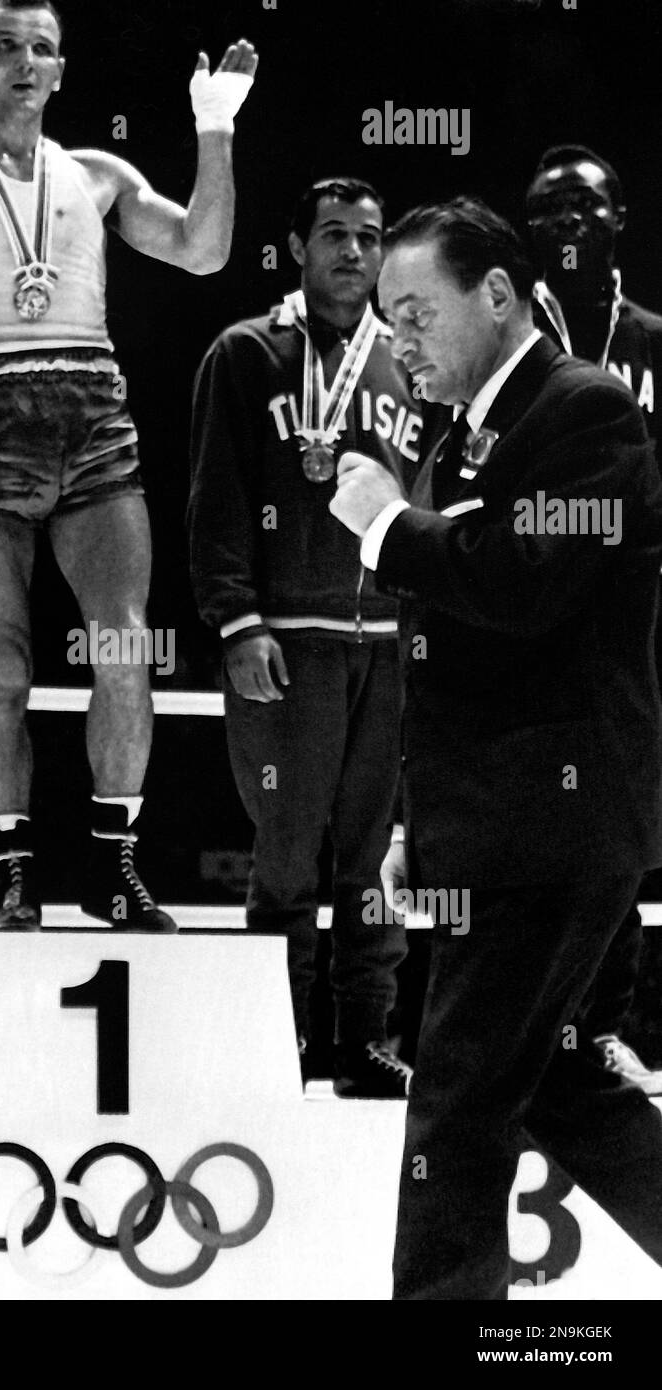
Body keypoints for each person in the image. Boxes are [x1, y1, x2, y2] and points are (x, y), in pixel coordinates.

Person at [0, 0, 256, 930]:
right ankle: (13, 874)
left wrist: (214, 128)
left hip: (92, 419)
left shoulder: (94, 173)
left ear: (63, 70)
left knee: (125, 648)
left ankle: (114, 867)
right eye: (4, 48)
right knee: (4, 662)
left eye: (42, 49)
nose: (24, 64)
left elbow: (203, 249)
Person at [330, 196, 662, 1298]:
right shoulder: (470, 427)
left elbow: (523, 583)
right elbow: (471, 650)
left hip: (549, 826)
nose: (401, 340)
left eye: (418, 311)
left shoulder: (586, 408)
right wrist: (417, 819)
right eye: (388, 321)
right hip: (512, 819)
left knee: (460, 1101)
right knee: (559, 1082)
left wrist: (384, 523)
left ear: (502, 295)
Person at [188, 178, 420, 1096]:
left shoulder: (409, 356)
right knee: (284, 857)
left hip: (388, 640)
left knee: (372, 855)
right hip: (285, 637)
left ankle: (364, 1043)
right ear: (295, 246)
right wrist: (235, 621)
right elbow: (214, 496)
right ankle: (276, 1045)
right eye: (333, 234)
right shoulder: (245, 352)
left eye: (369, 236)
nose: (353, 253)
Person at [527, 143, 662, 1095]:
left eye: (585, 207)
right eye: (547, 212)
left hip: (634, 613)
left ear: (620, 220)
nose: (566, 224)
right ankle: (534, 1029)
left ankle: (601, 1025)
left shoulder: (651, 338)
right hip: (528, 603)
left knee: (621, 821)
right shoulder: (506, 338)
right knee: (533, 818)